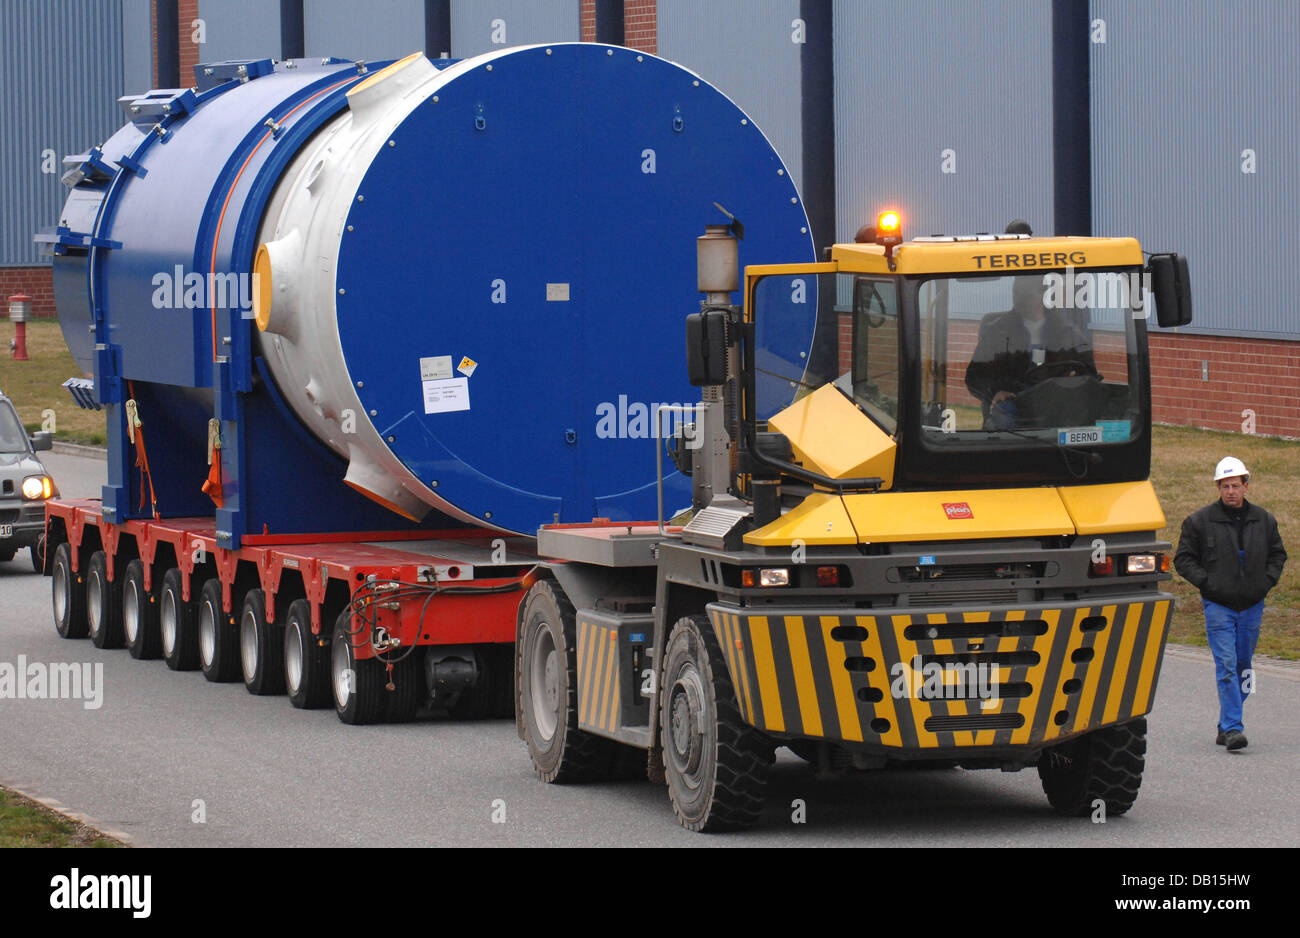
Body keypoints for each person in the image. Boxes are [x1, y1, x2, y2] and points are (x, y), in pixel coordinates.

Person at [1174, 457, 1287, 751]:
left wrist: (1265, 583)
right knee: (1225, 664)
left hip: (1252, 605)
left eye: (1235, 485)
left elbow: (1278, 555)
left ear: (1246, 486)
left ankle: (1226, 723)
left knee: (1243, 668)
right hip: (1218, 606)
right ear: (1218, 487)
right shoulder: (1198, 522)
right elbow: (1183, 559)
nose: (1230, 491)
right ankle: (1235, 728)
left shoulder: (1264, 520)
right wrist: (1208, 584)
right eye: (1225, 486)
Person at [964, 276, 1096, 429]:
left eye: (1026, 295)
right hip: (1013, 405)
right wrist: (995, 392)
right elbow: (974, 376)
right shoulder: (997, 332)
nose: (1019, 300)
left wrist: (1073, 381)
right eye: (1016, 294)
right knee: (1004, 417)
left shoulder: (1068, 333)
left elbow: (1090, 375)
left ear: (1043, 295)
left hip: (1057, 407)